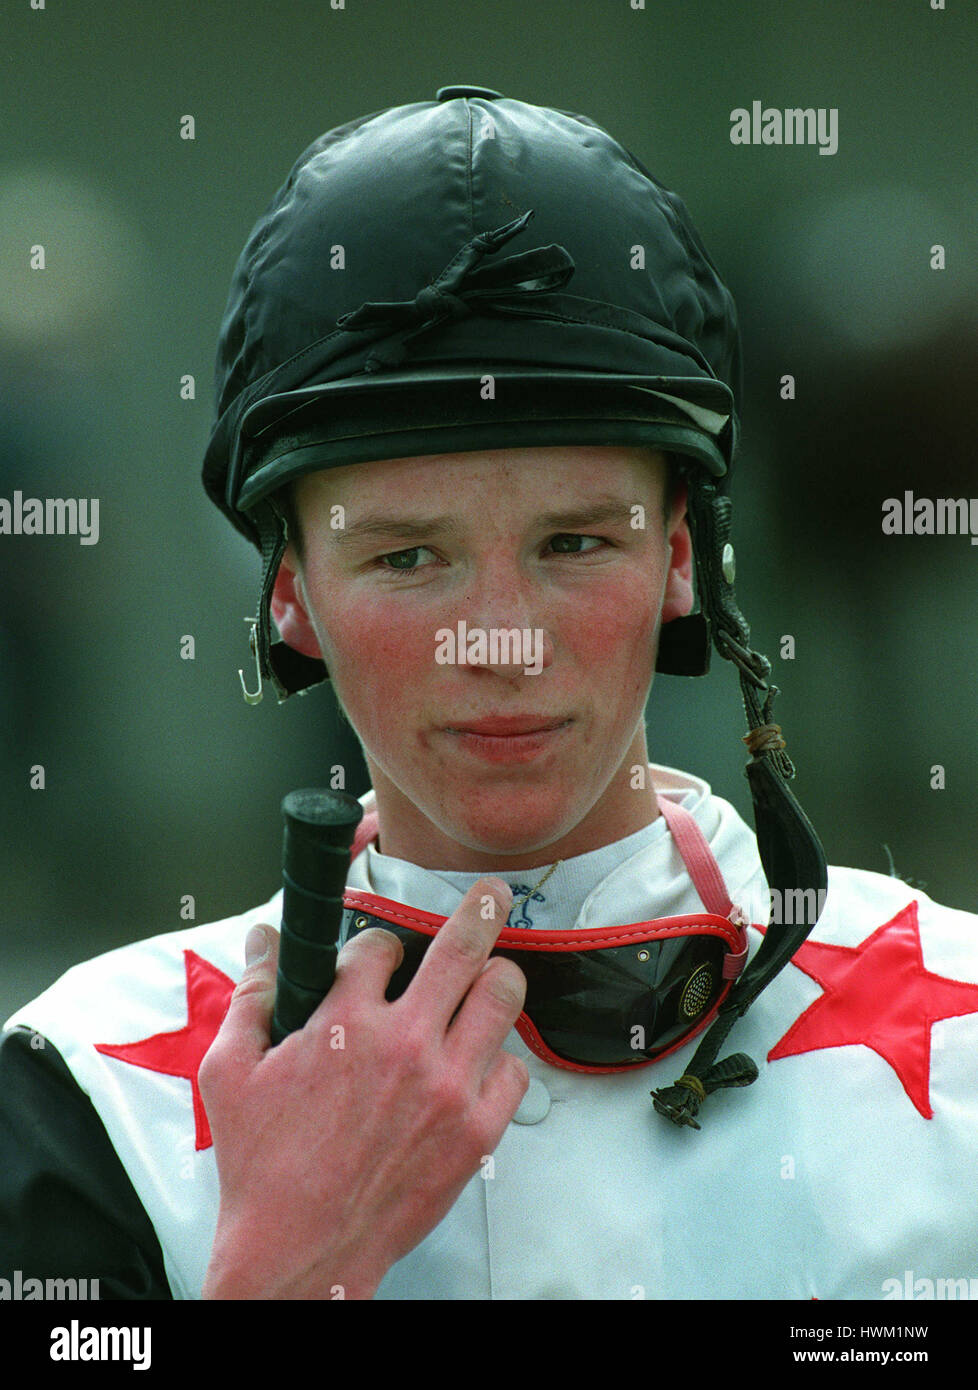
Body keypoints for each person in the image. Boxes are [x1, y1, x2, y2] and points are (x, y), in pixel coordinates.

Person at [3, 85, 977, 1303]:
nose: (503, 643)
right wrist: (284, 1269)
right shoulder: (89, 1087)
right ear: (288, 592)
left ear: (682, 559)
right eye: (408, 557)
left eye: (575, 544)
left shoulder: (963, 1038)